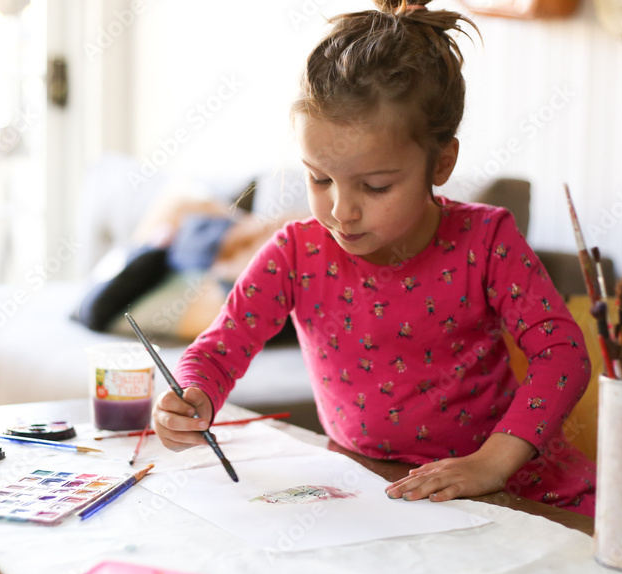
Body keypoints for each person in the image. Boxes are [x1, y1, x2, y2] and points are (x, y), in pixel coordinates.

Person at [151, 0, 596, 516]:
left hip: (512, 490)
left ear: (442, 162)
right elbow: (219, 349)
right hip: (374, 494)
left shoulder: (486, 239)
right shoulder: (295, 253)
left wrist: (493, 461)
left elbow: (562, 353)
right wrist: (193, 395)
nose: (342, 211)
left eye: (376, 185)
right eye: (319, 178)